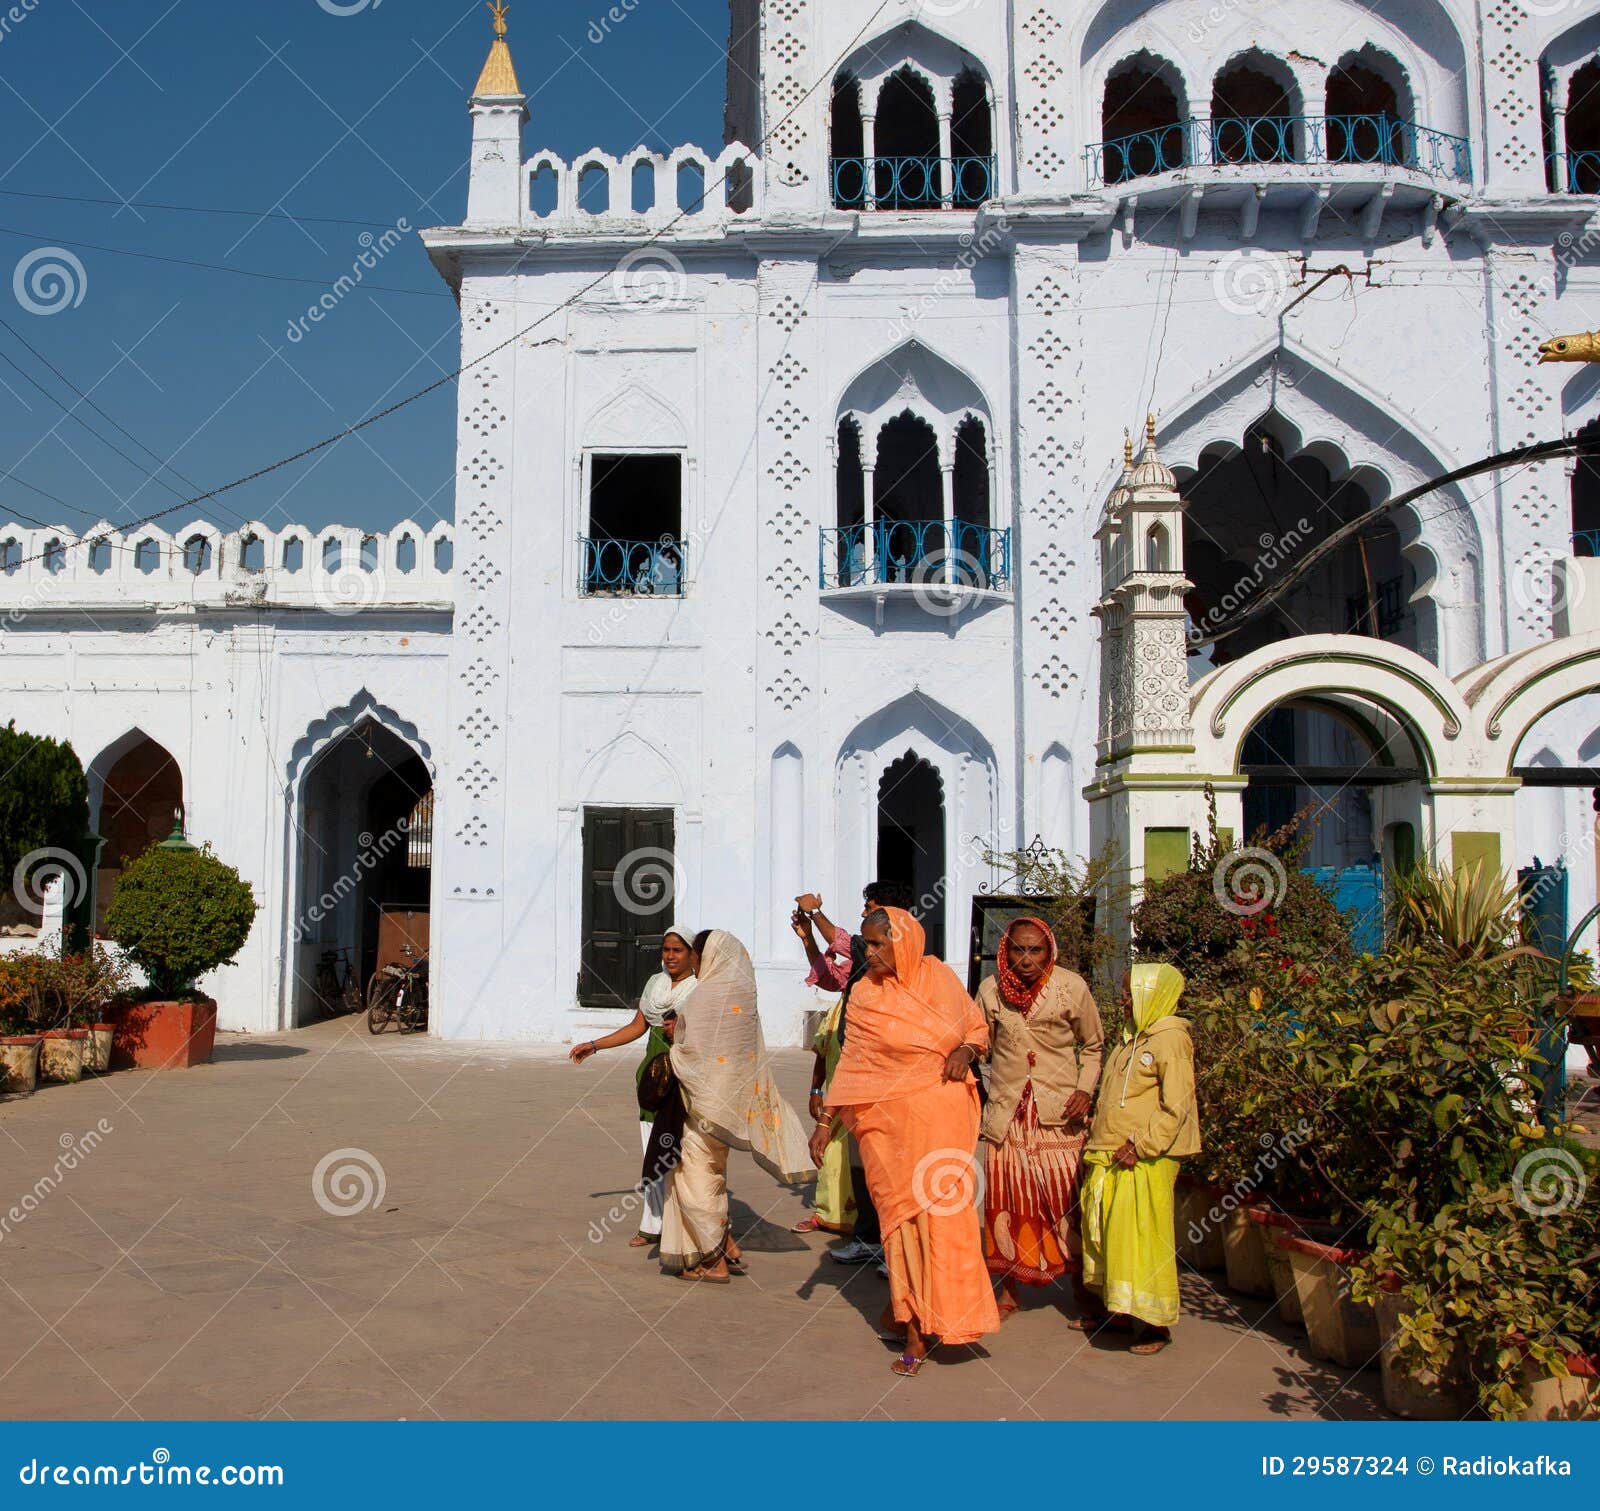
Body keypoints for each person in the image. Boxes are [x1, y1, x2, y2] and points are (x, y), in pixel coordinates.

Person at [817, 906, 1000, 1376]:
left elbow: (976, 1029)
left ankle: (936, 1319)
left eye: (879, 943)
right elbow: (853, 1060)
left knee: (943, 1219)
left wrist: (964, 1050)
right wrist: (825, 1122)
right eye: (867, 944)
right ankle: (913, 1321)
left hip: (941, 1118)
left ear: (904, 941)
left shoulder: (939, 978)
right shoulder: (863, 992)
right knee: (900, 1226)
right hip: (886, 1129)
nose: (870, 953)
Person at [661, 929, 815, 1282]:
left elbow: (691, 1054)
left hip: (700, 1106)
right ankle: (728, 1248)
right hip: (729, 1109)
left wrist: (673, 1043)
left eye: (694, 955)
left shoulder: (704, 996)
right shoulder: (744, 994)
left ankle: (712, 1259)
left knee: (695, 1179)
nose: (692, 962)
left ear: (706, 956)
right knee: (715, 1174)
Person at [976, 916, 1104, 1320]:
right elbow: (976, 1041)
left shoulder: (1071, 987)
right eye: (1018, 949)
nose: (1026, 959)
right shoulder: (991, 990)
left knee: (1067, 1200)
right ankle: (1009, 1290)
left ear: (1049, 952)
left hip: (1059, 1115)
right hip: (1008, 1118)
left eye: (1036, 950)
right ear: (1005, 950)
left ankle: (1084, 1291)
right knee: (1008, 1201)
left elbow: (1093, 1045)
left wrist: (1084, 1089)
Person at [1076, 962, 1200, 1355]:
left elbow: (1177, 1104)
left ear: (1152, 994)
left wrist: (1141, 1144)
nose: (1124, 999)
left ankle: (1155, 1325)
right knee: (1110, 1234)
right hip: (1112, 1153)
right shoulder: (1132, 1037)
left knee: (1143, 1238)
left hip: (1143, 1158)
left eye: (1131, 992)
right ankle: (1117, 1312)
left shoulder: (1171, 1040)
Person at [793, 882, 915, 1265]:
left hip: (894, 1078)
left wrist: (815, 912)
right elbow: (833, 977)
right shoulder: (865, 979)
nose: (864, 913)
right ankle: (869, 1238)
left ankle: (899, 1247)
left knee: (893, 1167)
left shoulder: (915, 968)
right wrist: (808, 937)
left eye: (870, 907)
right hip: (858, 1071)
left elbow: (843, 941)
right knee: (862, 1161)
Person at [569, 927, 697, 1247]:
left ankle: (691, 1226)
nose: (670, 956)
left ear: (692, 954)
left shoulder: (701, 988)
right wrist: (595, 1046)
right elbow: (637, 1026)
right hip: (654, 1080)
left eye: (677, 950)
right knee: (653, 1152)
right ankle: (652, 1224)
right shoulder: (655, 984)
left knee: (687, 1156)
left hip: (687, 1078)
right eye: (666, 950)